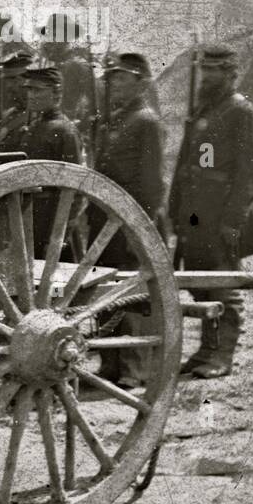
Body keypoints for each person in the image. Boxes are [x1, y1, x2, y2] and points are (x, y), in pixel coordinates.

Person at [169, 45, 253, 378]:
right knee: (202, 280)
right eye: (205, 70)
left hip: (221, 213)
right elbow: (185, 163)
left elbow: (249, 174)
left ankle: (222, 355)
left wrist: (233, 221)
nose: (207, 76)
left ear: (231, 74)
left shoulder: (241, 112)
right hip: (195, 212)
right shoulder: (203, 109)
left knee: (223, 282)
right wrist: (174, 207)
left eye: (215, 71)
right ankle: (206, 349)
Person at [92, 52, 164, 386]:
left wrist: (140, 227)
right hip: (106, 220)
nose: (114, 85)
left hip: (131, 220)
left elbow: (151, 183)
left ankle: (134, 370)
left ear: (141, 82)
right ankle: (110, 363)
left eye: (122, 78)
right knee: (107, 290)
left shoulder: (146, 121)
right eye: (112, 79)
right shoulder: (114, 119)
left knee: (133, 294)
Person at [21, 65, 84, 257]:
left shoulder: (65, 131)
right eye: (29, 89)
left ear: (56, 94)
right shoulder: (34, 126)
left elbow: (73, 190)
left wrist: (58, 238)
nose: (31, 95)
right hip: (30, 219)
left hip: (51, 224)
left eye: (38, 90)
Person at [0, 50, 33, 153]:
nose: (9, 86)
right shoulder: (9, 114)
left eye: (14, 80)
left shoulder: (36, 117)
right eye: (8, 80)